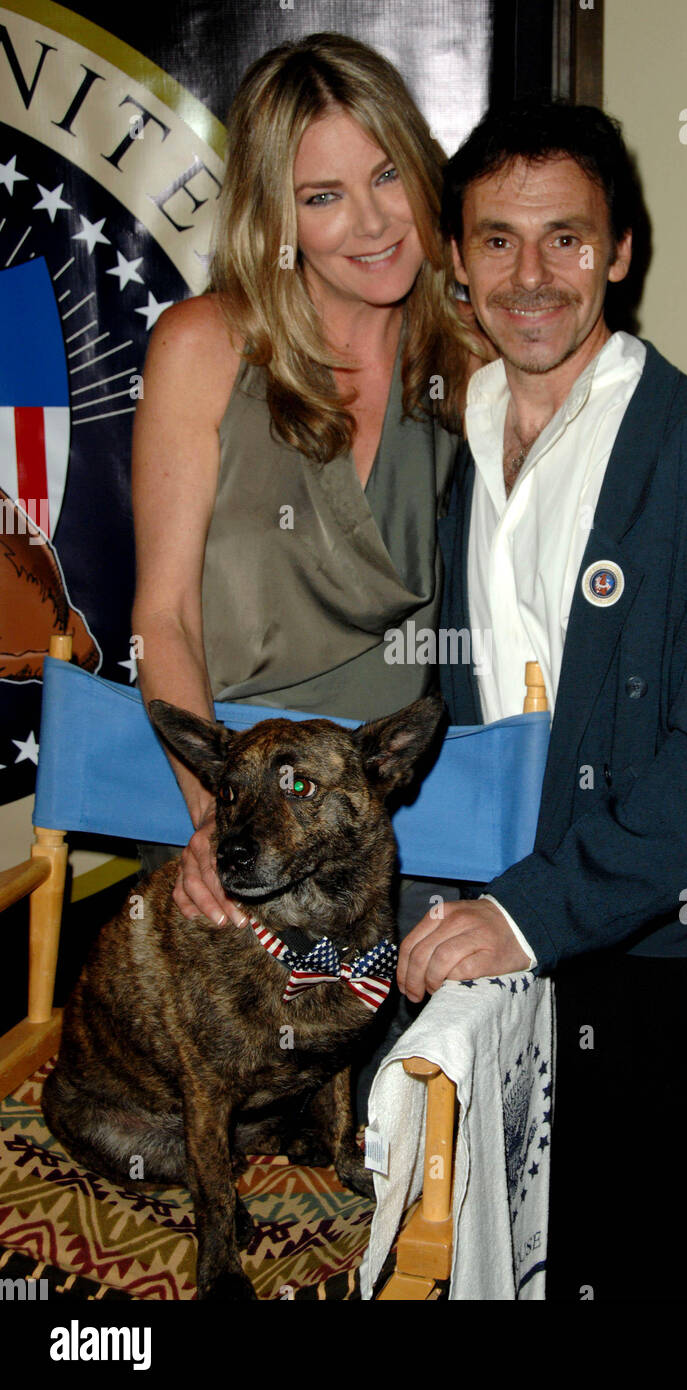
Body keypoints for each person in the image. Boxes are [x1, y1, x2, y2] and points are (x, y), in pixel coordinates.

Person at [397, 100, 687, 1300]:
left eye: (567, 239)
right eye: (497, 241)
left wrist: (526, 914)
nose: (531, 277)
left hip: (683, 983)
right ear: (457, 259)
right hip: (520, 968)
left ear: (621, 250)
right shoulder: (458, 452)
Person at [130, 33, 475, 1119]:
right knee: (208, 1146)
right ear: (276, 219)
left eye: (386, 176)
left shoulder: (471, 357)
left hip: (400, 833)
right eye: (324, 196)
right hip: (228, 816)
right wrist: (212, 824)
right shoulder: (202, 347)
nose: (373, 224)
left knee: (391, 1164)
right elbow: (163, 615)